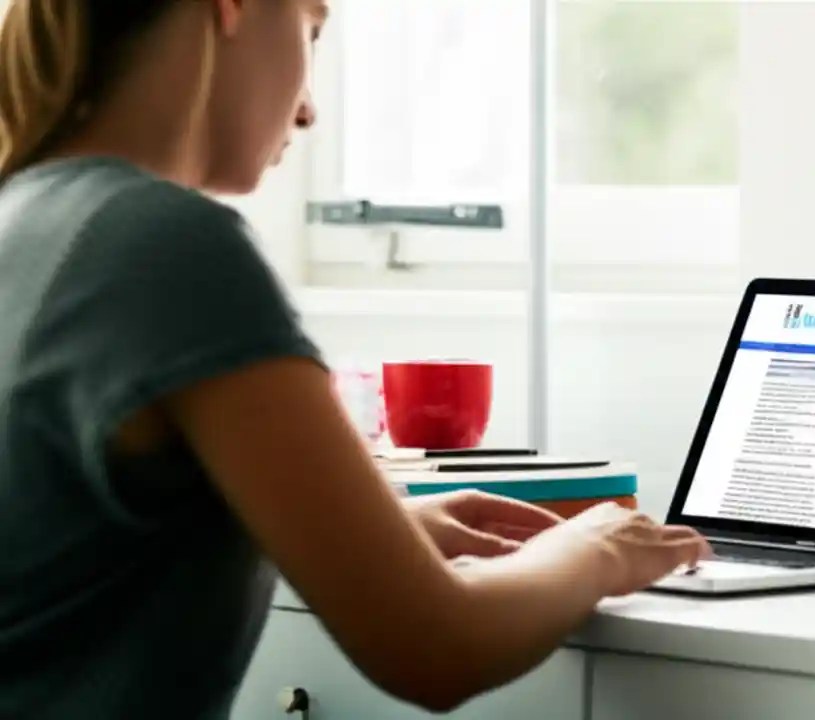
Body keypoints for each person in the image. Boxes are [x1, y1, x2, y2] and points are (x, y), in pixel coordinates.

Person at [0, 1, 709, 718]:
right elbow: (435, 647)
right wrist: (599, 550)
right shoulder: (164, 246)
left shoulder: (24, 216)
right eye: (311, 31)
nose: (308, 111)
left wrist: (377, 532)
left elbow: (73, 549)